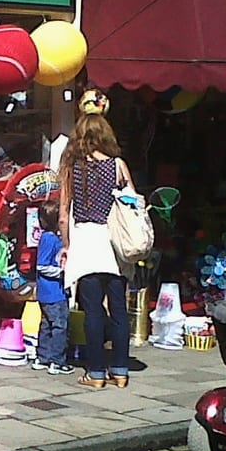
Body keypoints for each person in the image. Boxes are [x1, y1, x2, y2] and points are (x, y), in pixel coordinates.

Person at [58, 110, 133, 389]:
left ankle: (97, 373)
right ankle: (121, 371)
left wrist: (66, 246)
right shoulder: (118, 166)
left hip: (87, 243)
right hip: (114, 244)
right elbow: (131, 204)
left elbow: (64, 214)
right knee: (118, 310)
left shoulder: (72, 167)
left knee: (92, 311)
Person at [30, 200, 74, 375]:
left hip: (47, 292)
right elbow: (42, 266)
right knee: (59, 325)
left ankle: (43, 357)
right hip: (54, 292)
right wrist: (62, 273)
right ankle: (57, 360)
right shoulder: (51, 239)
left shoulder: (47, 237)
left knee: (47, 325)